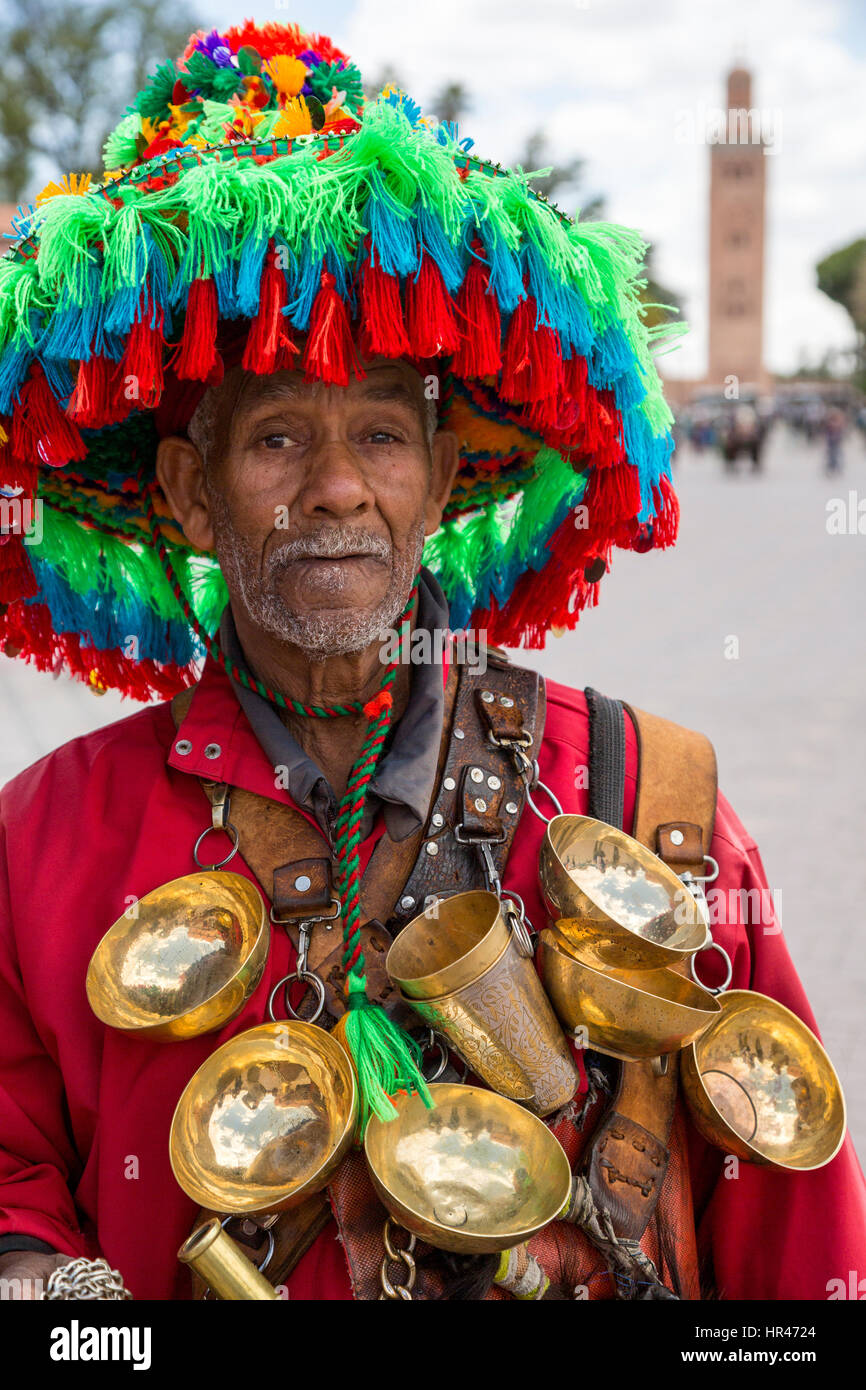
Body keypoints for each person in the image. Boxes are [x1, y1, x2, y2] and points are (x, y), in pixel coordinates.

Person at [0, 19, 864, 1302]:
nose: (337, 488)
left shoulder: (651, 806)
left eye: (381, 440)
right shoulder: (44, 840)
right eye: (278, 437)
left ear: (444, 478)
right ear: (190, 490)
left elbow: (796, 1259)